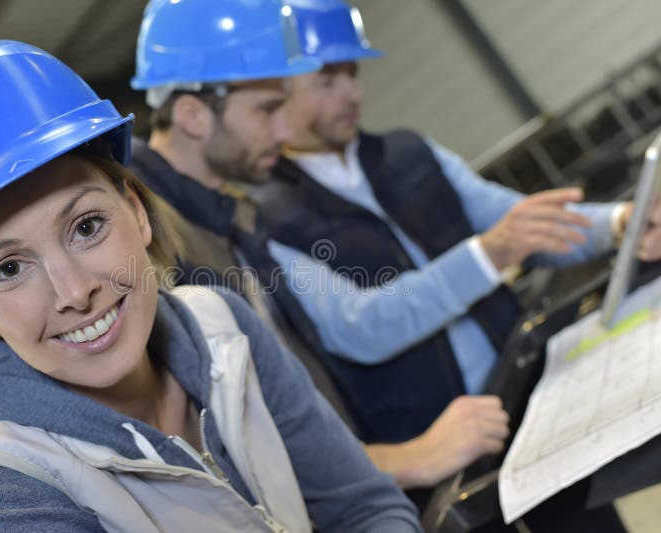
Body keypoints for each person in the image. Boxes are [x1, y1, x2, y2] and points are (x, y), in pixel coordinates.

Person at [0, 39, 421, 532]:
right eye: (7, 268)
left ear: (138, 212)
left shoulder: (221, 324)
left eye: (86, 227)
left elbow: (367, 508)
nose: (75, 292)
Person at [129, 0, 510, 490]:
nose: (286, 132)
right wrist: (402, 458)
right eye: (268, 110)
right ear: (192, 115)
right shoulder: (152, 247)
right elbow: (228, 437)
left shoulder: (233, 218)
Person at [254, 0, 661, 446]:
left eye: (352, 73)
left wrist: (624, 221)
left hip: (533, 391)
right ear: (275, 91)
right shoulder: (271, 221)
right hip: (443, 443)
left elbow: (517, 223)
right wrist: (487, 255)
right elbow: (359, 328)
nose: (351, 93)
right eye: (327, 80)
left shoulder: (409, 152)